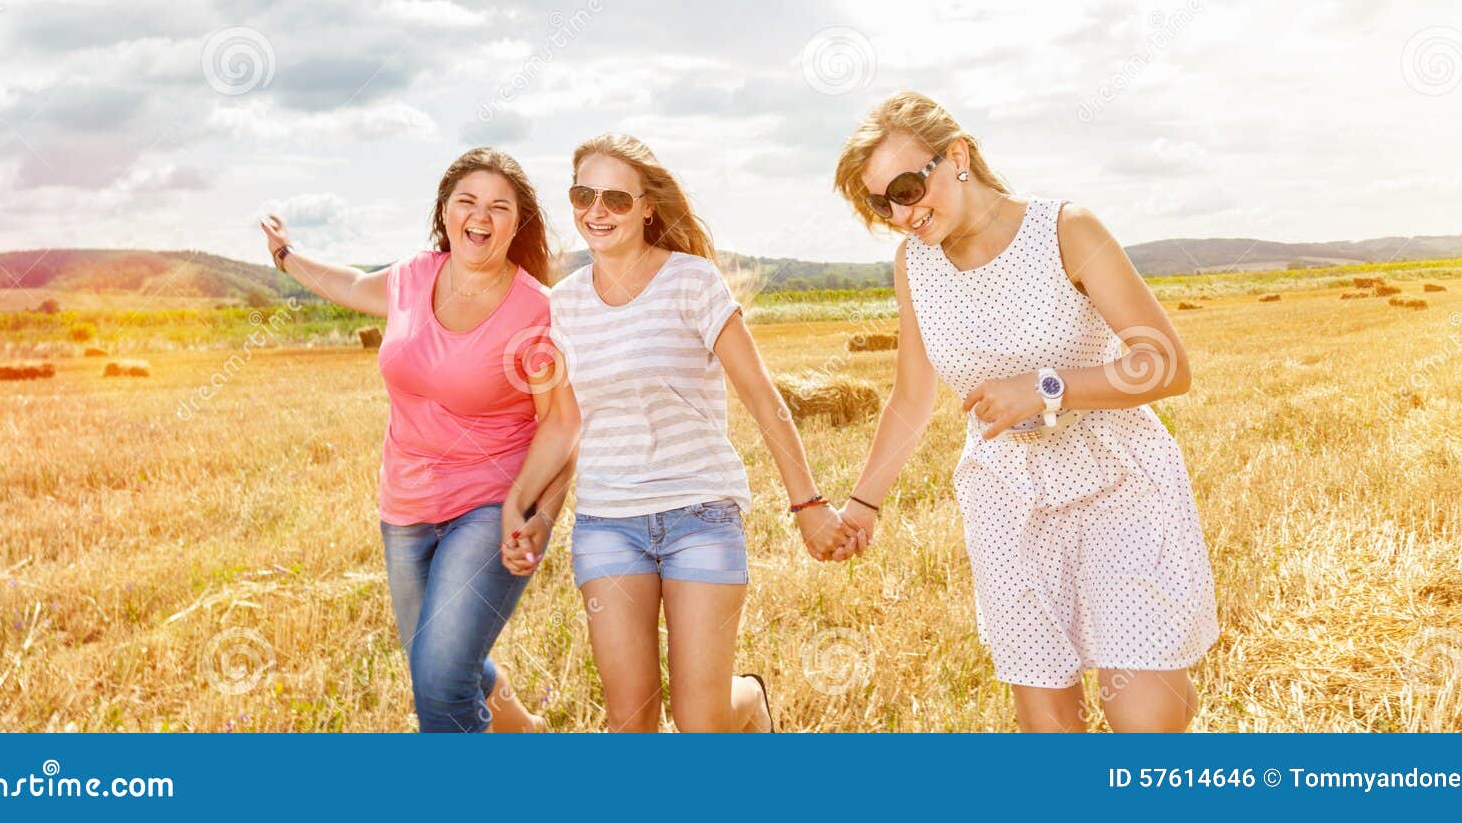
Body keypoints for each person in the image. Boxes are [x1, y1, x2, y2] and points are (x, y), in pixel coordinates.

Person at [830, 92, 1218, 731]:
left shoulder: (1066, 230)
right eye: (881, 202)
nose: (901, 213)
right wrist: (863, 505)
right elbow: (910, 396)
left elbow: (1165, 364)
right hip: (1008, 501)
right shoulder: (913, 264)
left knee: (1146, 725)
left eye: (905, 187)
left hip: (1117, 486)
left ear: (956, 157)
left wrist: (1046, 388)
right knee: (1048, 730)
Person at [500, 132, 858, 732]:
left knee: (701, 728)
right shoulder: (561, 307)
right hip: (607, 525)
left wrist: (809, 503)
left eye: (616, 198)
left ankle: (746, 701)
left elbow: (762, 399)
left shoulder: (692, 282)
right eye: (583, 195)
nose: (597, 211)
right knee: (631, 725)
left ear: (647, 207)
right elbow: (563, 430)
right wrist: (541, 514)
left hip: (701, 515)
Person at [260, 146, 577, 733]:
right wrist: (285, 255)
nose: (480, 216)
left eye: (498, 207)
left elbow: (560, 426)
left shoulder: (537, 313)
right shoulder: (413, 277)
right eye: (467, 201)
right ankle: (526, 735)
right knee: (436, 661)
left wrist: (544, 514)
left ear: (517, 223)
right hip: (404, 506)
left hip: (492, 503)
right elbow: (352, 284)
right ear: (446, 212)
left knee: (439, 686)